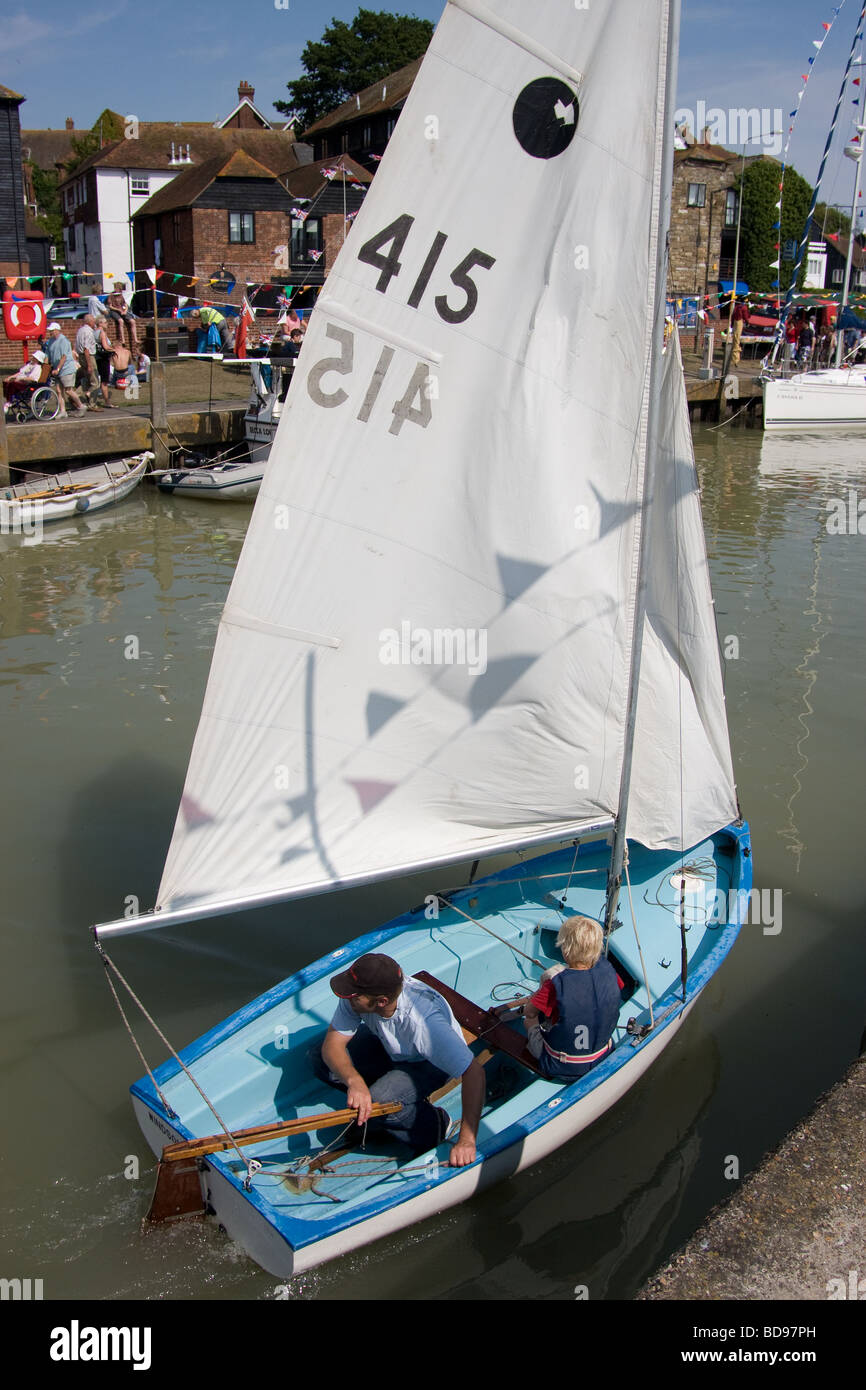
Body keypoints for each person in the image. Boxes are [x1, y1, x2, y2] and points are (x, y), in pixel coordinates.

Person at [311, 953, 485, 1166]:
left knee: (380, 1101)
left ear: (382, 1001)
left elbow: (474, 1073)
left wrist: (467, 1141)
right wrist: (354, 1082)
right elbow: (332, 1047)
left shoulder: (425, 1026)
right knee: (320, 1059)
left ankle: (435, 1125)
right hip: (393, 1048)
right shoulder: (358, 997)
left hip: (429, 1062)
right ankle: (380, 1104)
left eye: (355, 996)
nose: (347, 998)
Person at [514, 916, 621, 1079]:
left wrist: (539, 995)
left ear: (565, 951)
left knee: (528, 1021)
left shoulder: (555, 985)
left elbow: (529, 1013)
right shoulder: (609, 972)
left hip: (561, 1066)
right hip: (603, 1054)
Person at [45, 322, 87, 416]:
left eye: (52, 331)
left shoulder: (64, 340)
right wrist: (45, 366)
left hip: (66, 368)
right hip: (57, 368)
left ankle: (81, 406)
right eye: (50, 331)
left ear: (57, 330)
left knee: (68, 390)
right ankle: (63, 411)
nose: (50, 332)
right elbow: (47, 355)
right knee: (59, 391)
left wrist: (58, 368)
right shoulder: (51, 341)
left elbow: (64, 356)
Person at [75, 315, 104, 408]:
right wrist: (89, 365)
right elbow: (86, 349)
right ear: (89, 322)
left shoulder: (80, 330)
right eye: (93, 321)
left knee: (87, 380)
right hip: (88, 356)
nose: (94, 323)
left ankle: (75, 395)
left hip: (81, 356)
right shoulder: (88, 332)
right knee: (95, 382)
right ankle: (92, 404)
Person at [105, 284, 139, 351]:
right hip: (114, 311)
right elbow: (110, 306)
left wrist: (125, 311)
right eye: (118, 289)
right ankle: (123, 340)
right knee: (121, 321)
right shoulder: (111, 295)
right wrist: (118, 310)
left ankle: (135, 339)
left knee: (133, 321)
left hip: (122, 311)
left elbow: (125, 304)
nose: (119, 290)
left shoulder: (121, 295)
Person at [730, 296, 750, 367]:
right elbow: (745, 315)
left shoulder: (736, 307)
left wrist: (732, 324)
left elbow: (733, 316)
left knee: (735, 339)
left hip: (736, 322)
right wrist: (747, 322)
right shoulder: (743, 307)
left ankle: (734, 357)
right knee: (737, 339)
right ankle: (735, 359)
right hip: (739, 322)